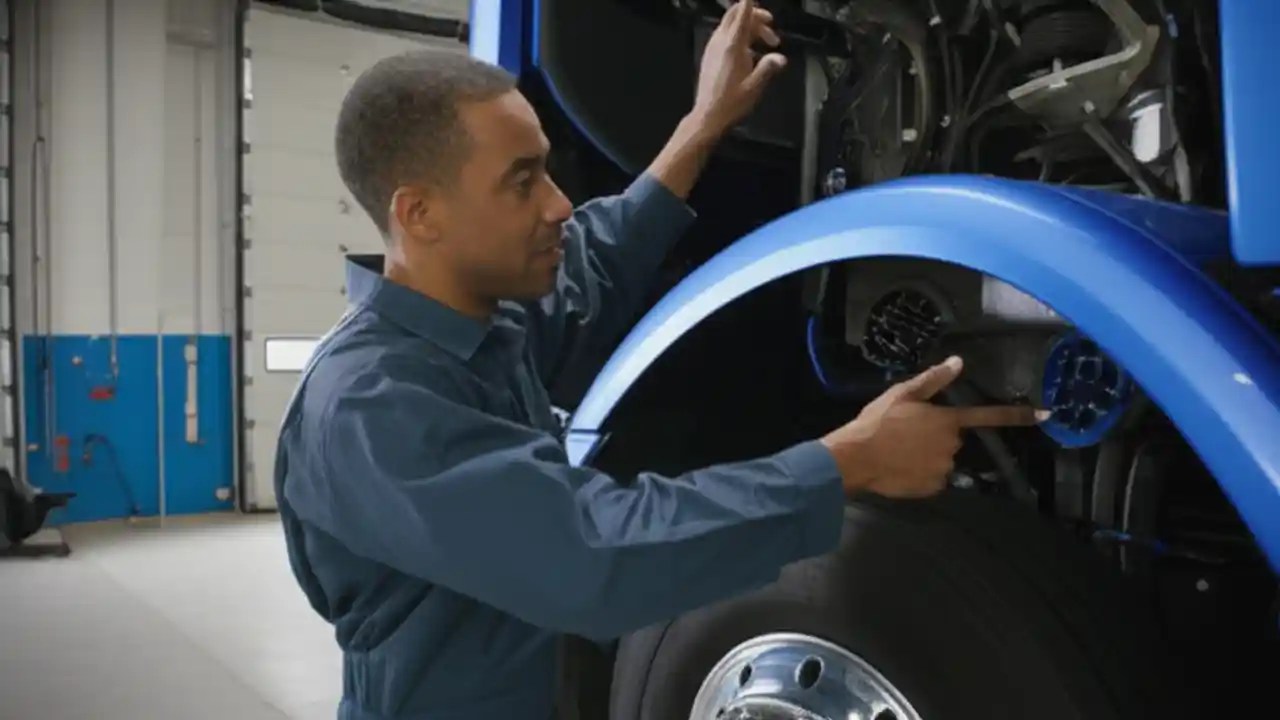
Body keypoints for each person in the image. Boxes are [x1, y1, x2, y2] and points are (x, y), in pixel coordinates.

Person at [273, 2, 1045, 718]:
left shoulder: (481, 321)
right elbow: (589, 557)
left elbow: (595, 263)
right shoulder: (370, 405)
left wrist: (704, 124)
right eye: (521, 183)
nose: (557, 204)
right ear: (420, 213)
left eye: (545, 168)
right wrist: (849, 463)